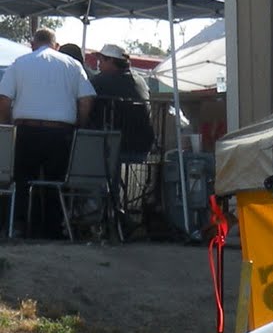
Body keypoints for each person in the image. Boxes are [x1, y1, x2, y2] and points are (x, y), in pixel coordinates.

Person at [0, 27, 95, 237]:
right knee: (55, 182)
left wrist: (7, 125)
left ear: (32, 44)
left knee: (23, 181)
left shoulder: (19, 63)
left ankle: (22, 227)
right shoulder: (73, 65)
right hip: (60, 132)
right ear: (57, 45)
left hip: (26, 130)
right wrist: (79, 124)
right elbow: (86, 99)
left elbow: (4, 99)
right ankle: (52, 230)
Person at [90, 43, 156, 159]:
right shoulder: (140, 80)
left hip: (114, 145)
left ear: (110, 60)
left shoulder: (101, 80)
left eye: (101, 61)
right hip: (144, 144)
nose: (98, 65)